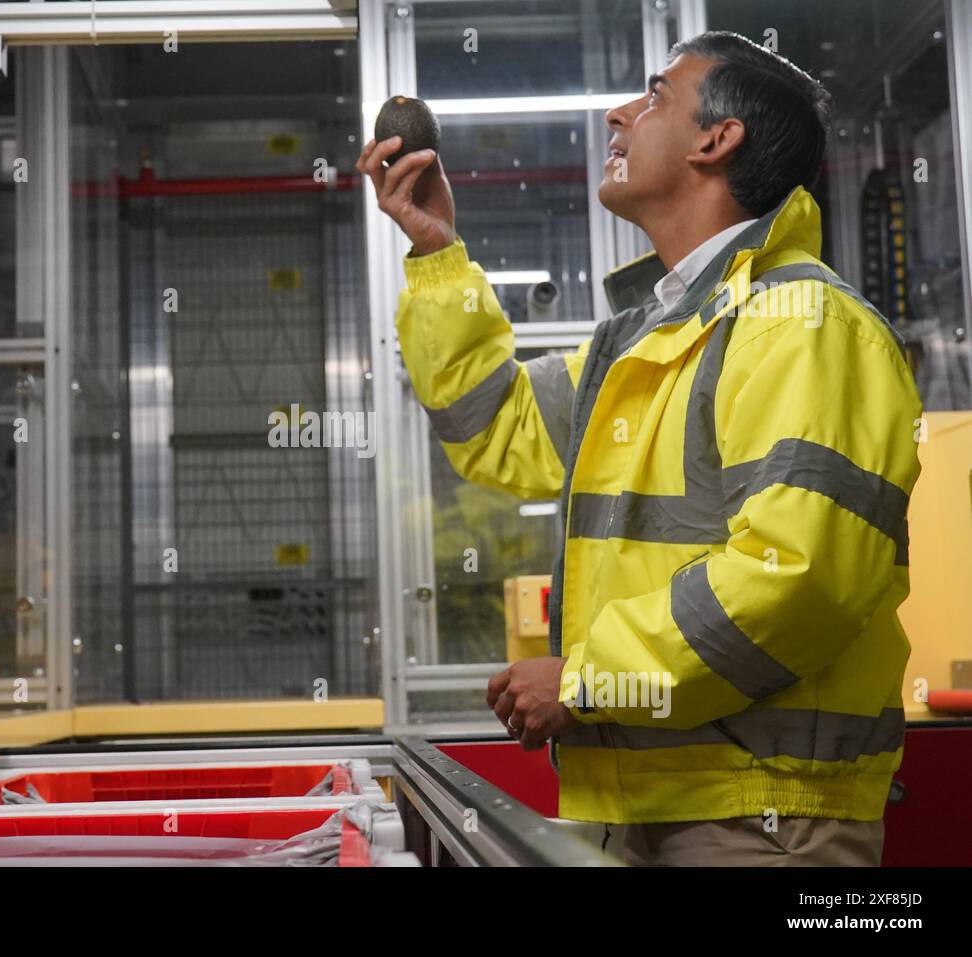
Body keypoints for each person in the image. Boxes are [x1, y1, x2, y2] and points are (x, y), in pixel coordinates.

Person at [356, 31, 922, 866]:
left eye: (654, 96)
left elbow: (798, 577)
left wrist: (587, 681)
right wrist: (437, 255)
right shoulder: (641, 344)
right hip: (643, 808)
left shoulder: (803, 324)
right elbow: (495, 428)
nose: (619, 114)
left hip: (762, 821)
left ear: (717, 140)